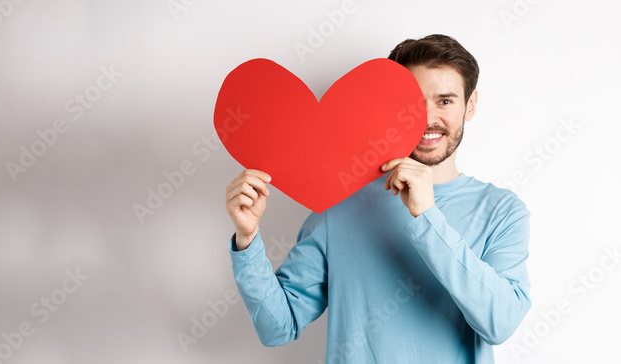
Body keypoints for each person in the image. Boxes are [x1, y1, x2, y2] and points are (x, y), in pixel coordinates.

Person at [223, 34, 531, 363]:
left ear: (469, 106)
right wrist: (247, 239)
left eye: (444, 101)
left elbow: (500, 323)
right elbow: (278, 328)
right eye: (414, 103)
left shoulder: (502, 211)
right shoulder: (339, 205)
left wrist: (428, 217)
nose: (427, 118)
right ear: (390, 107)